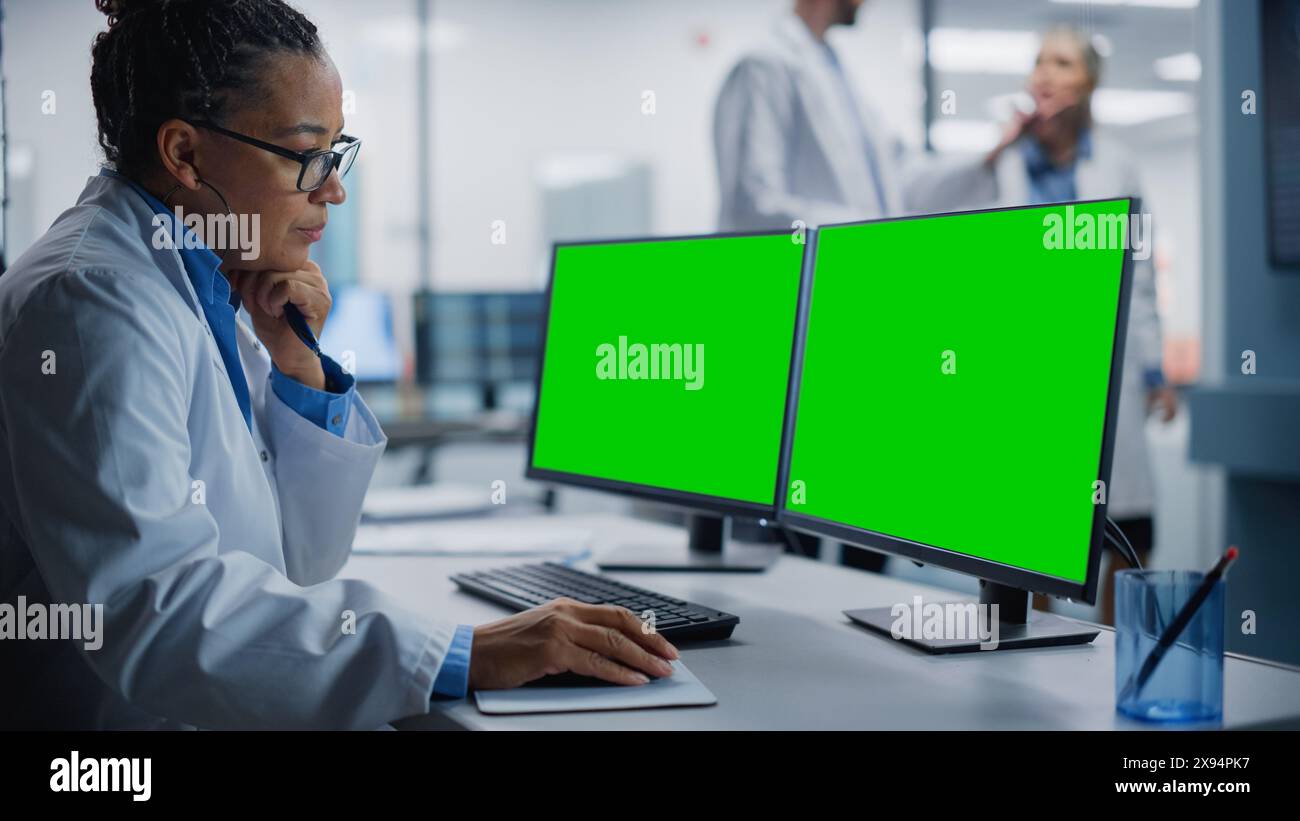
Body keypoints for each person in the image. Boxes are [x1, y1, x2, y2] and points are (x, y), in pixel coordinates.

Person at [0, 0, 676, 731]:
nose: (333, 188)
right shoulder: (93, 300)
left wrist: (296, 362)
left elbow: (296, 563)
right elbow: (158, 614)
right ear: (184, 154)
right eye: (305, 155)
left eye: (336, 153)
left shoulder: (205, 285)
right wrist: (461, 652)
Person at [906, 27, 1178, 623]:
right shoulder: (1000, 161)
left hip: (1101, 359)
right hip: (1025, 364)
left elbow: (1142, 273)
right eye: (1038, 62)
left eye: (1061, 62)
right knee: (1029, 531)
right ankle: (1033, 642)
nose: (1044, 73)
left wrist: (1155, 367)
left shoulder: (1116, 163)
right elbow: (920, 211)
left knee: (1126, 528)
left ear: (1088, 85)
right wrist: (1000, 147)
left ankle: (1111, 652)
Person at [713, 0, 906, 233]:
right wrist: (868, 232)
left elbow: (895, 173)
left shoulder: (836, 71)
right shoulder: (763, 67)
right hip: (798, 266)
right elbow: (754, 206)